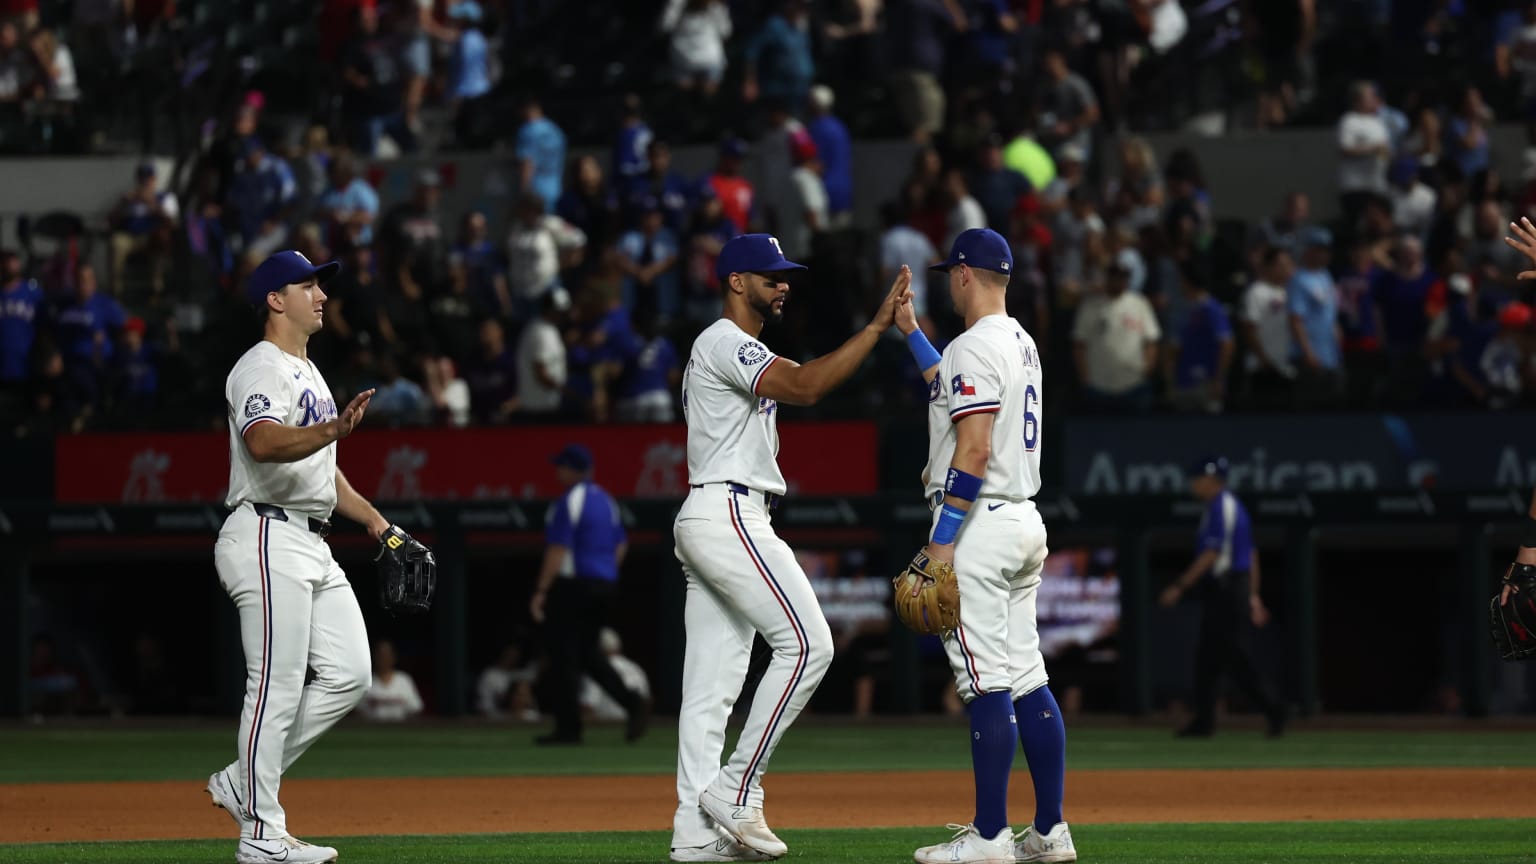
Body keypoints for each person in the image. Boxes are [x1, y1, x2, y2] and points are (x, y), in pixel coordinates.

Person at [671, 234, 912, 862]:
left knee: (710, 692)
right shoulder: (725, 341)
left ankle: (694, 837)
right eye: (769, 276)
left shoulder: (735, 348)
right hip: (727, 510)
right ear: (734, 281)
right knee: (809, 644)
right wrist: (876, 327)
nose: (783, 285)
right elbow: (805, 387)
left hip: (714, 510)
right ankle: (737, 789)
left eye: (785, 276)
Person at [205, 250, 421, 864]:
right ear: (276, 299)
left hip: (312, 540)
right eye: (308, 285)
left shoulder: (311, 372)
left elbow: (324, 475)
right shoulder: (260, 367)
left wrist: (381, 525)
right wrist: (331, 432)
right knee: (273, 685)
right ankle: (261, 834)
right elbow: (264, 441)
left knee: (351, 674)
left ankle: (242, 780)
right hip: (266, 535)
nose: (321, 295)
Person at [894, 228, 1074, 864]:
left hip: (977, 525)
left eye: (951, 271)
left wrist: (942, 544)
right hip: (1025, 520)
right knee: (1028, 675)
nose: (949, 280)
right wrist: (911, 332)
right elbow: (952, 388)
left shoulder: (974, 347)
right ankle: (1050, 832)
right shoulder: (1021, 343)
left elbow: (972, 447)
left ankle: (992, 836)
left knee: (984, 683)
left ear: (965, 274)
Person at [1157, 457, 1286, 739]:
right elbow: (1251, 554)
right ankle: (1204, 722)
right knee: (1208, 660)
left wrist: (1179, 586)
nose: (1193, 484)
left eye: (1197, 478)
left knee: (1232, 657)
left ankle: (1274, 708)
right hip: (1227, 590)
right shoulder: (1224, 507)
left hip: (1228, 590)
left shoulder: (1223, 507)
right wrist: (1253, 595)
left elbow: (1212, 555)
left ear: (1211, 480)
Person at [529, 443, 649, 746]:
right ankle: (632, 701)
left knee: (563, 654)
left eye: (561, 466)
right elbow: (621, 544)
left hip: (574, 585)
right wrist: (607, 571)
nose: (557, 471)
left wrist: (542, 589)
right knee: (587, 653)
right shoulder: (607, 501)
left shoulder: (569, 501)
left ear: (572, 470)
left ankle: (568, 729)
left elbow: (558, 549)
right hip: (605, 585)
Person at [358, 639, 424, 722]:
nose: (384, 660)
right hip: (372, 728)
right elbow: (358, 708)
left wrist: (399, 702)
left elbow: (417, 707)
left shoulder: (404, 680)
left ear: (393, 657)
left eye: (387, 656)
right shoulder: (366, 680)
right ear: (375, 657)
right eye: (381, 656)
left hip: (401, 727)